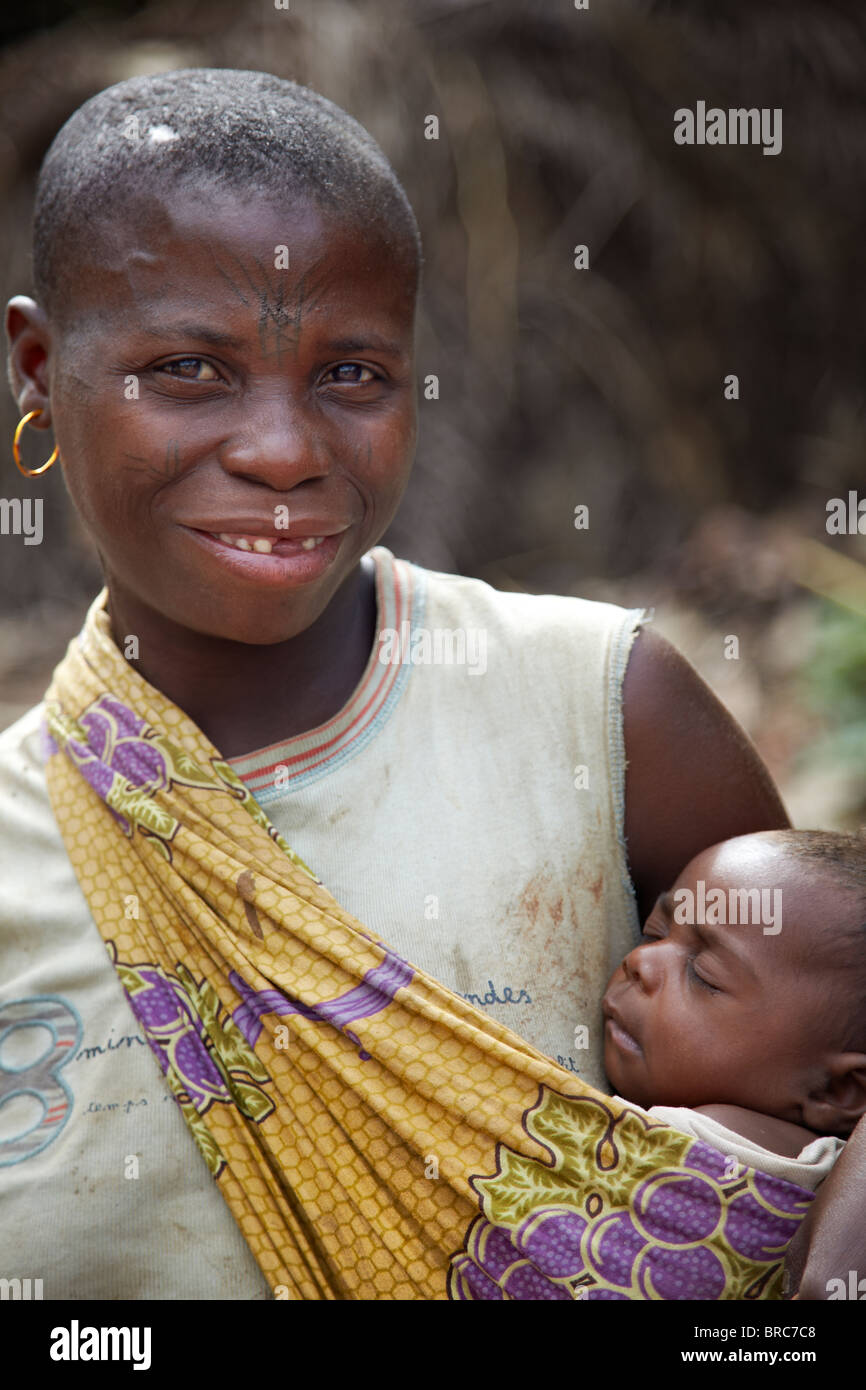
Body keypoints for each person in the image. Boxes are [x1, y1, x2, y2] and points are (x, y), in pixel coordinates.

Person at [1, 67, 859, 1300]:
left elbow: (845, 1047)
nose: (285, 451)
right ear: (38, 366)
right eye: (189, 368)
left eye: (352, 374)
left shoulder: (601, 710)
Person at [602, 829, 866, 1193]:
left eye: (704, 974)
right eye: (655, 932)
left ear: (837, 1091)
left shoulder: (707, 1146)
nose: (640, 960)